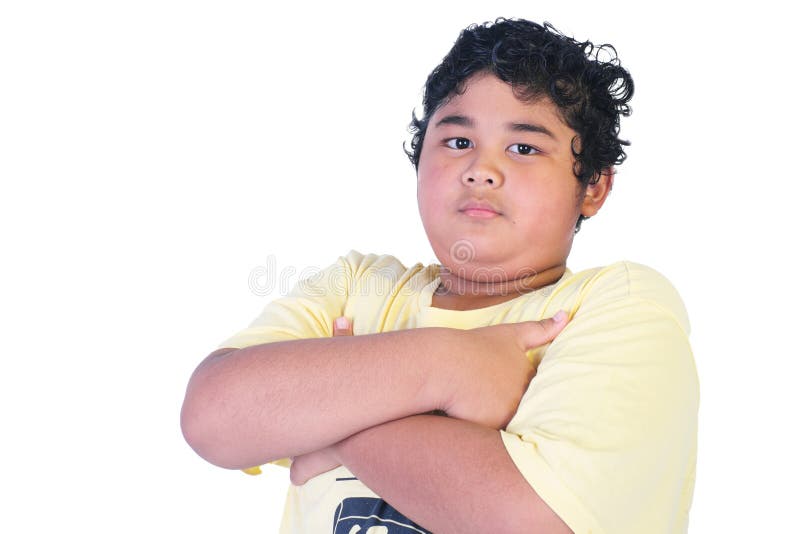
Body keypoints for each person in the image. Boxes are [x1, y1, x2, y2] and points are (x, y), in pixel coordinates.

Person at [181, 18, 698, 534]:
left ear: (594, 187)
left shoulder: (619, 304)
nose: (480, 169)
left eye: (524, 148)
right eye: (457, 141)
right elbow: (213, 417)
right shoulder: (358, 286)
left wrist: (338, 425)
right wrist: (451, 364)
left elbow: (535, 521)